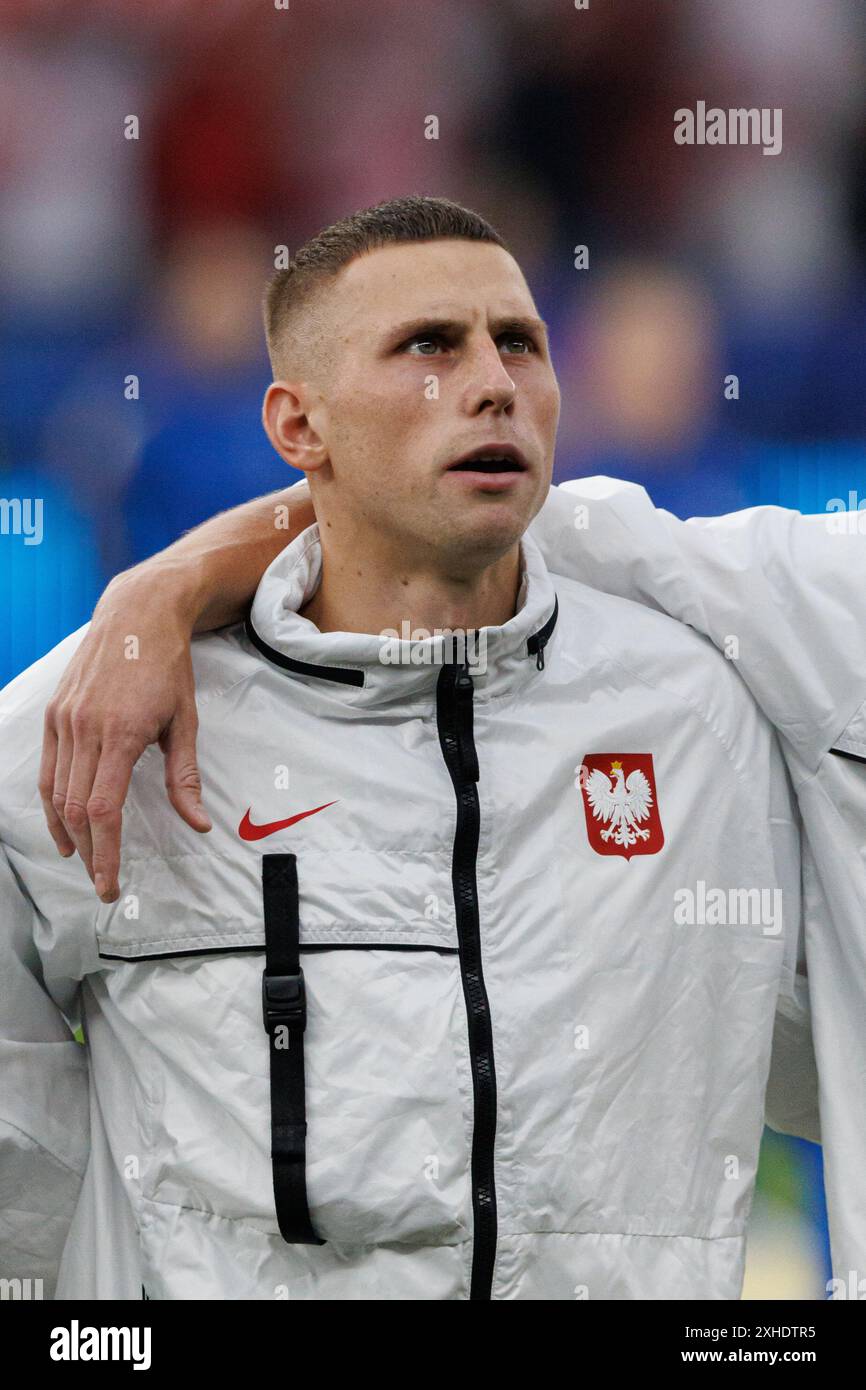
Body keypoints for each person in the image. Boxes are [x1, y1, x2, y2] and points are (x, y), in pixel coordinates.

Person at [0, 195, 854, 1302]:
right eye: (428, 346)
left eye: (520, 344)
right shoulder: (110, 719)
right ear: (297, 425)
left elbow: (794, 1046)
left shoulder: (704, 711)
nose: (495, 379)